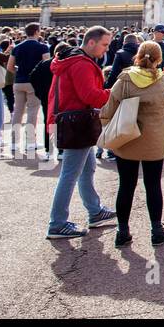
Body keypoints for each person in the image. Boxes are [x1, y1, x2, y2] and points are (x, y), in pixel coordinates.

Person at [99, 41, 164, 247]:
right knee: (153, 185)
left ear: (137, 56)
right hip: (154, 142)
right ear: (158, 59)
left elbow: (107, 111)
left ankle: (123, 231)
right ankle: (157, 229)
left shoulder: (125, 79)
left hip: (127, 140)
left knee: (126, 186)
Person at [46, 26, 118, 239]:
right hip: (77, 121)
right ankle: (57, 223)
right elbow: (91, 96)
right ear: (91, 42)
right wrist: (114, 93)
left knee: (87, 168)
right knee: (70, 174)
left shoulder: (73, 60)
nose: (106, 50)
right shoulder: (81, 64)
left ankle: (95, 211)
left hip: (75, 120)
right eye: (104, 45)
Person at [9, 22, 49, 156]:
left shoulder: (17, 47)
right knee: (32, 112)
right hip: (34, 83)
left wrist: (20, 71)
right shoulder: (42, 47)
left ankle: (14, 142)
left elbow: (10, 66)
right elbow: (46, 65)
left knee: (17, 112)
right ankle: (30, 142)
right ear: (37, 32)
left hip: (19, 81)